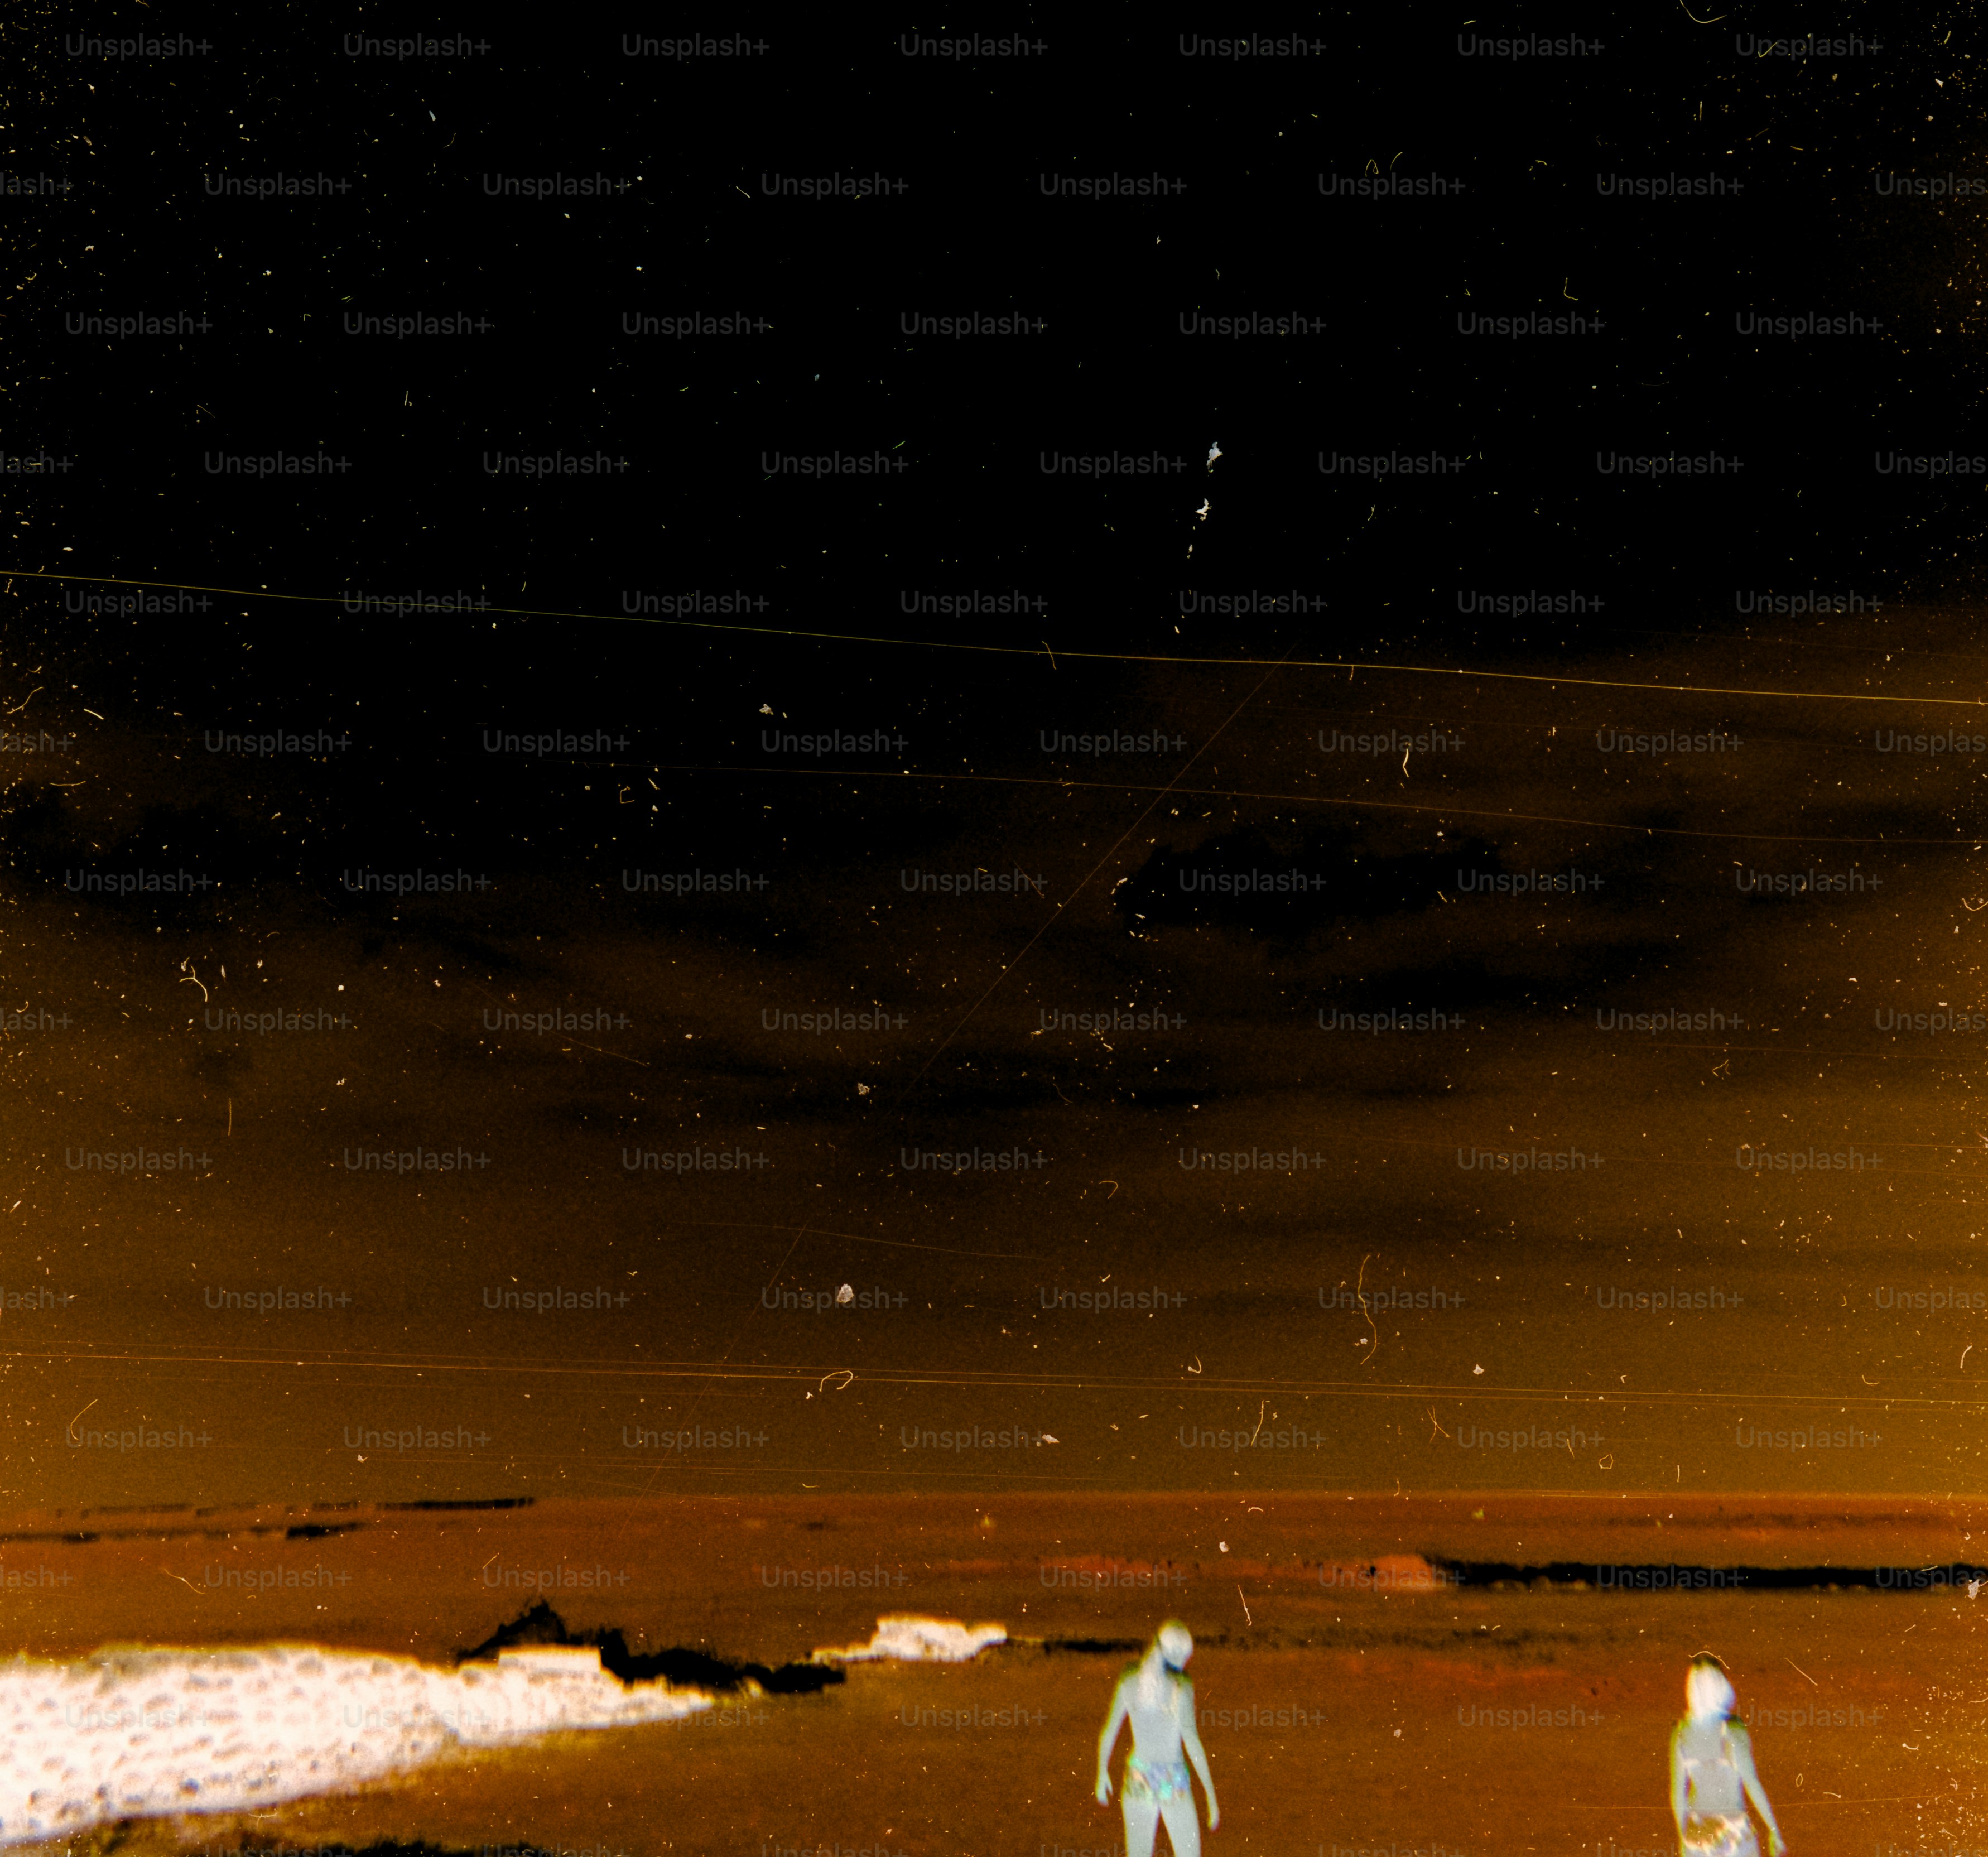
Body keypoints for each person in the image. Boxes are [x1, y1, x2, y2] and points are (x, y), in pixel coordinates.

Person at [1095, 1620, 1219, 1856]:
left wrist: (1102, 1773)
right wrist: (1211, 1797)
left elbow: (1109, 1731)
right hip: (1172, 1778)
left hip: (1138, 1777)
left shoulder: (1129, 1681)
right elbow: (1192, 1742)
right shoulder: (1181, 1688)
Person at [1669, 1657, 1787, 1857]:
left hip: (1698, 1834)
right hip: (1733, 1833)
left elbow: (1677, 1794)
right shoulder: (1732, 1729)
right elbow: (1752, 1782)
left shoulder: (1680, 1733)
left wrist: (1683, 1838)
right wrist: (1774, 1830)